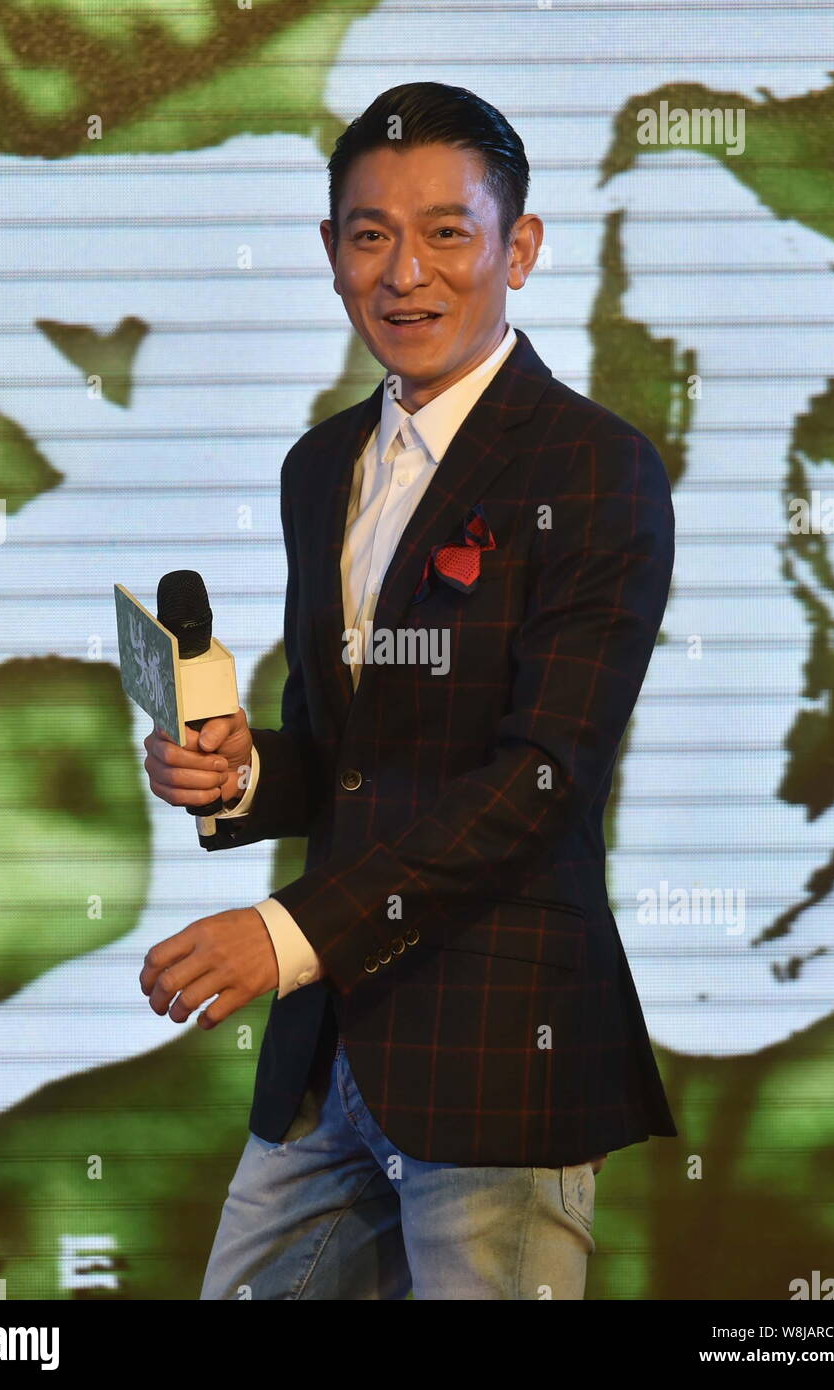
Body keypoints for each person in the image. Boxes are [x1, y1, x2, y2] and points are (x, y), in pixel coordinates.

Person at [140, 81, 678, 1300]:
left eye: (448, 231)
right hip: (330, 1051)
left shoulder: (596, 466)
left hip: (498, 1048)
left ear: (518, 249)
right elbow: (355, 755)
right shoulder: (319, 463)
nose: (406, 273)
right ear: (330, 252)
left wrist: (284, 936)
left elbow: (539, 778)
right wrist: (244, 771)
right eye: (371, 233)